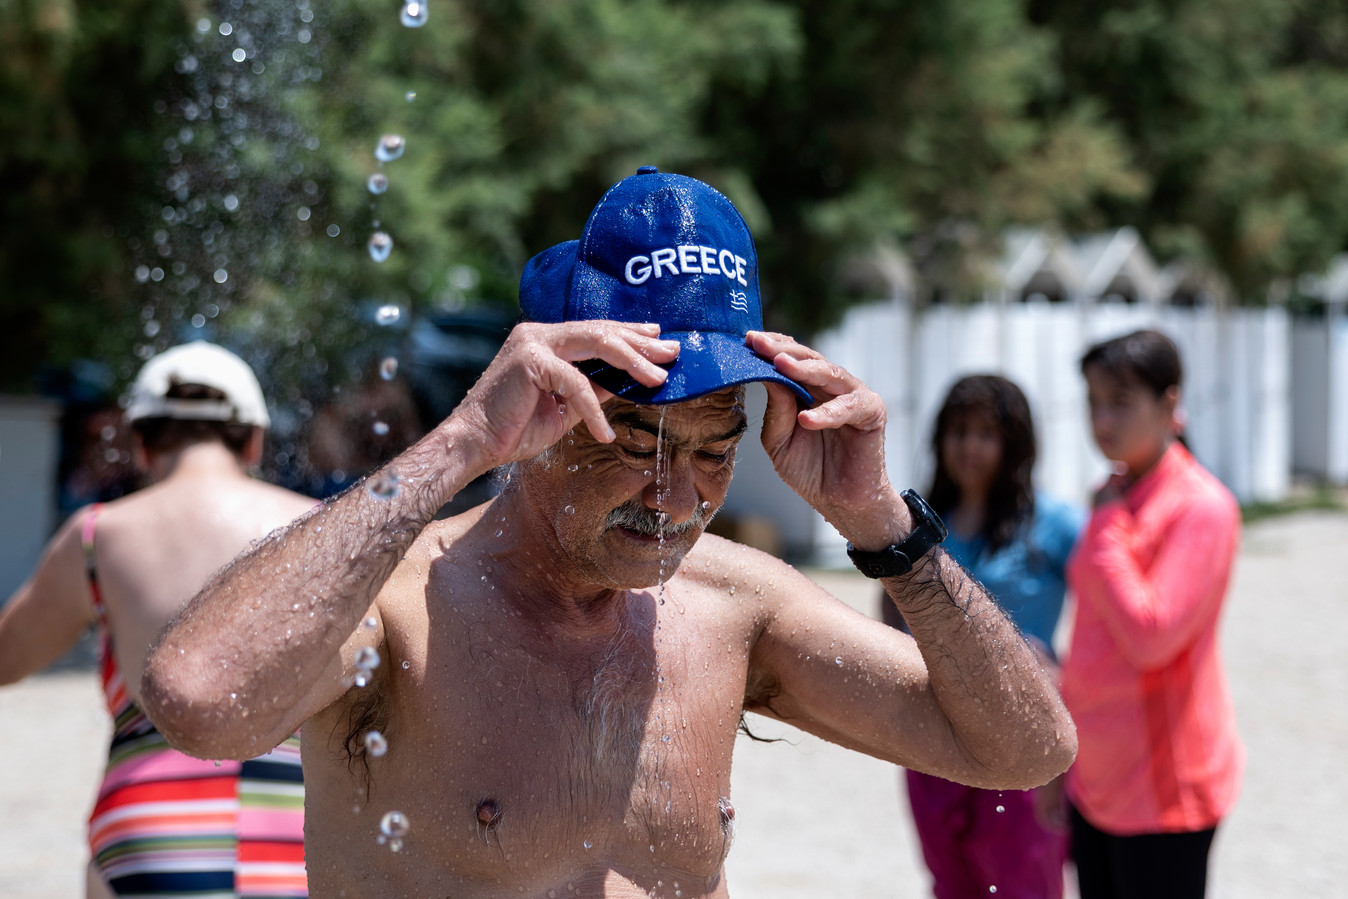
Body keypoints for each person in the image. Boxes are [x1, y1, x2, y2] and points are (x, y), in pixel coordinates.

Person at [141, 167, 1077, 899]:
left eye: (716, 451)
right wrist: (462, 442)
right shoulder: (403, 610)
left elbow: (1026, 751)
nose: (675, 498)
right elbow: (195, 698)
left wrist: (887, 528)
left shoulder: (732, 606)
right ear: (544, 407)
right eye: (634, 440)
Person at [0, 341, 315, 898]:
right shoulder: (320, 528)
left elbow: (9, 658)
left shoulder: (100, 535)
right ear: (254, 440)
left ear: (141, 444)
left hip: (149, 831)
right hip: (297, 828)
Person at [882, 374, 1083, 899]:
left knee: (1023, 881)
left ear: (1014, 443)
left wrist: (1068, 675)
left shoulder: (1055, 524)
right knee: (950, 880)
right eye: (959, 430)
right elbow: (890, 617)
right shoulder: (918, 523)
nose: (969, 445)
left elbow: (1108, 613)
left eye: (986, 433)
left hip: (1023, 733)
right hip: (933, 734)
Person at [1060, 329, 1243, 899]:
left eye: (1120, 401)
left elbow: (1150, 635)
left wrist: (1110, 527)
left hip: (1163, 790)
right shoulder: (1117, 490)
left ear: (1169, 402)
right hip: (1095, 777)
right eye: (1093, 402)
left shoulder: (1201, 507)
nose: (1103, 420)